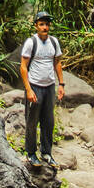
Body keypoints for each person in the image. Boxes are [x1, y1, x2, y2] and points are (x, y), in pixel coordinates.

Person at [20, 11, 64, 166]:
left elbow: (57, 63)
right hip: (35, 86)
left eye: (46, 24)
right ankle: (30, 153)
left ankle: (46, 152)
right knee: (32, 121)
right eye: (41, 24)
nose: (45, 27)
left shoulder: (53, 42)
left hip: (49, 87)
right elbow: (23, 67)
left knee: (48, 121)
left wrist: (61, 85)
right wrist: (28, 89)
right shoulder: (31, 43)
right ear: (36, 26)